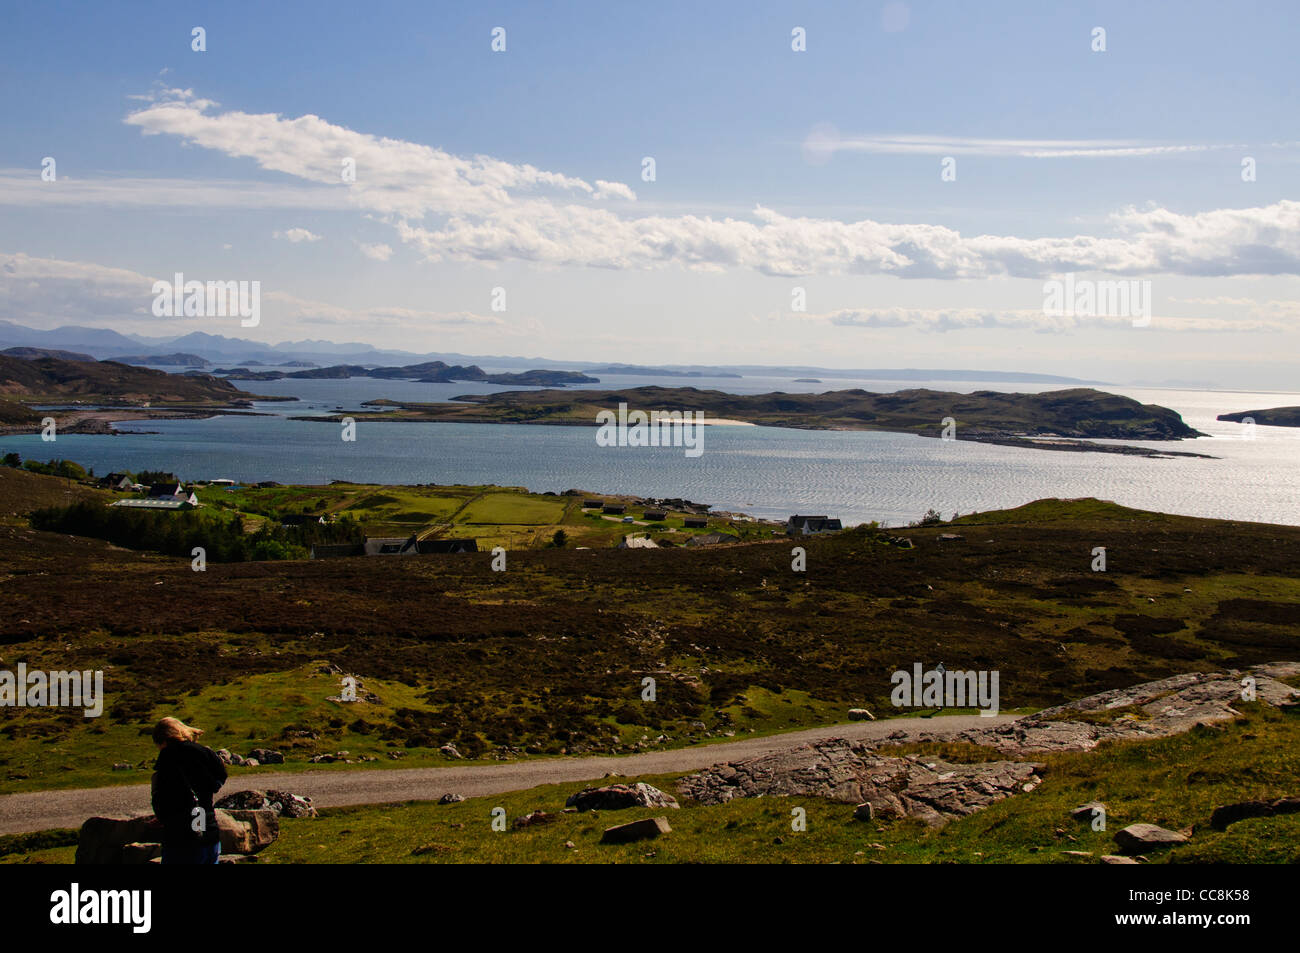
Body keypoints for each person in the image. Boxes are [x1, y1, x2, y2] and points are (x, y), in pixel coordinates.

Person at [150, 717, 227, 864]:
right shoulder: (205, 752)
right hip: (208, 830)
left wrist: (162, 818)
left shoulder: (167, 759)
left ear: (163, 740)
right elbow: (219, 779)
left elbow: (162, 801)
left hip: (181, 838)